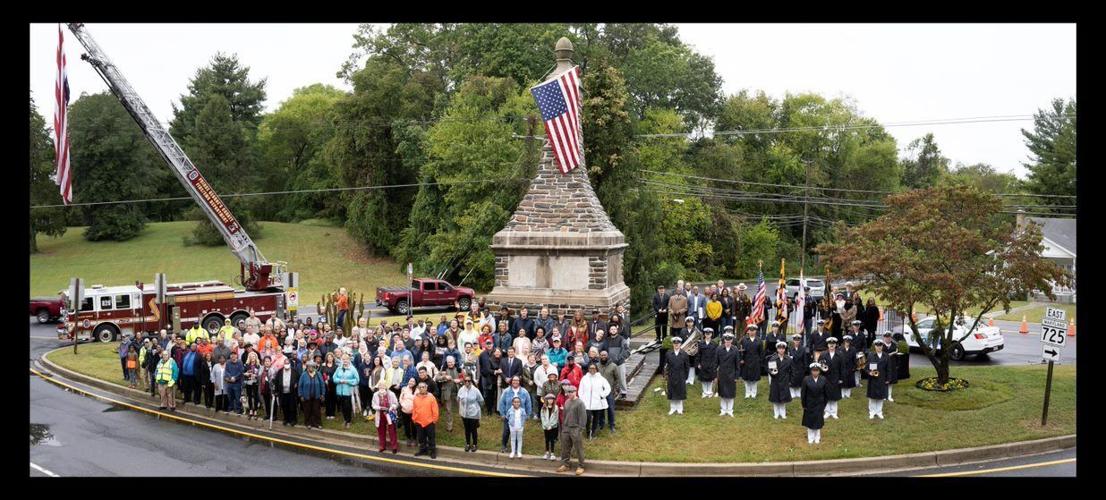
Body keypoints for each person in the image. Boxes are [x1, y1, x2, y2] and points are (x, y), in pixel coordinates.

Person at [557, 384, 587, 475]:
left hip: (575, 428)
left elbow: (583, 417)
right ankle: (565, 464)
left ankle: (581, 466)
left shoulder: (580, 403)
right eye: (568, 392)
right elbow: (564, 415)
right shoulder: (567, 402)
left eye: (571, 392)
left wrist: (580, 428)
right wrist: (563, 426)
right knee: (565, 448)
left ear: (575, 391)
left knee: (578, 448)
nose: (569, 394)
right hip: (566, 428)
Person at [497, 376, 532, 453]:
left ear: (520, 382)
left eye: (517, 380)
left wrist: (528, 414)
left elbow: (528, 403)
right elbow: (502, 403)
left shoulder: (524, 392)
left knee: (517, 432)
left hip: (520, 416)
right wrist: (502, 414)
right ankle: (504, 445)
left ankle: (516, 448)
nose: (515, 382)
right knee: (506, 431)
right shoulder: (506, 391)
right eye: (514, 380)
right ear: (511, 381)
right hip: (508, 416)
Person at [578, 361, 610, 440]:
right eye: (590, 368)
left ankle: (594, 432)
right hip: (586, 403)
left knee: (596, 418)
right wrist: (582, 399)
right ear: (588, 369)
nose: (592, 370)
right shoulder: (584, 378)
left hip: (597, 402)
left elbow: (608, 388)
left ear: (596, 369)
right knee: (588, 418)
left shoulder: (601, 379)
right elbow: (580, 390)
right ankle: (588, 431)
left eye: (594, 368)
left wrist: (602, 395)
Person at [801, 362, 829, 445]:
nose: (815, 372)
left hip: (820, 404)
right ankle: (810, 437)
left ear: (819, 371)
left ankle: (817, 437)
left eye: (817, 370)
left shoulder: (823, 379)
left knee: (818, 422)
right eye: (813, 370)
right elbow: (803, 394)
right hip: (809, 404)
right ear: (811, 371)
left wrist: (824, 404)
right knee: (810, 422)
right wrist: (804, 405)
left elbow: (826, 393)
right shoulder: (806, 379)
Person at [457, 374, 484, 452]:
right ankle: (468, 443)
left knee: (473, 430)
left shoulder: (475, 390)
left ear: (471, 381)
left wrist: (476, 408)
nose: (467, 382)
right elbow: (458, 399)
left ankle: (475, 444)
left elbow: (481, 401)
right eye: (465, 381)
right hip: (464, 414)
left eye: (469, 380)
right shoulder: (461, 389)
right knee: (467, 430)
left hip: (473, 414)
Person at [412, 382, 440, 459]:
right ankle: (423, 450)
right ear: (418, 388)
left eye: (423, 387)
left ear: (426, 388)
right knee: (421, 438)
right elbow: (414, 409)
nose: (422, 388)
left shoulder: (431, 397)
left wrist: (434, 420)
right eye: (420, 387)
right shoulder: (415, 398)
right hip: (418, 422)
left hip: (429, 422)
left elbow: (435, 410)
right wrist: (414, 418)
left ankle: (432, 451)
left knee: (431, 438)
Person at [596, 350, 621, 434]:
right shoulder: (597, 366)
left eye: (605, 355)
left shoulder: (613, 366)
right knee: (601, 408)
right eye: (602, 355)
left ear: (608, 356)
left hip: (610, 391)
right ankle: (601, 424)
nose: (603, 357)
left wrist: (616, 389)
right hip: (599, 392)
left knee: (610, 408)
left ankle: (612, 425)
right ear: (599, 356)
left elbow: (617, 378)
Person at [664, 336, 690, 415]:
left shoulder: (684, 354)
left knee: (680, 391)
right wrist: (666, 375)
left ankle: (679, 408)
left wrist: (685, 377)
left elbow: (687, 367)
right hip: (671, 375)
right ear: (673, 344)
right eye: (674, 343)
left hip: (681, 375)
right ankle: (672, 408)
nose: (676, 345)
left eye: (678, 343)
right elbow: (665, 365)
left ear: (680, 344)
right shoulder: (668, 353)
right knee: (672, 391)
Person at [767, 341, 793, 419]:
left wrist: (790, 380)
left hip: (785, 380)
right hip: (775, 380)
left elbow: (792, 370)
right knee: (775, 398)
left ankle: (783, 413)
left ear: (784, 349)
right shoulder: (773, 358)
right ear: (777, 349)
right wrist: (772, 373)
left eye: (783, 348)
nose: (781, 350)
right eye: (779, 348)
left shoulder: (788, 359)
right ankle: (776, 413)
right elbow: (770, 369)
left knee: (783, 398)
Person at [372, 379, 399, 453]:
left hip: (389, 413)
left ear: (386, 386)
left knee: (392, 430)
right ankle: (382, 446)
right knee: (381, 431)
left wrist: (391, 407)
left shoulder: (391, 394)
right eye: (380, 385)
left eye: (383, 385)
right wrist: (380, 408)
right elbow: (373, 405)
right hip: (380, 414)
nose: (382, 387)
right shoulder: (375, 395)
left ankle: (394, 447)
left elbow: (396, 403)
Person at [866, 340, 890, 419]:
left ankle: (879, 411)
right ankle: (872, 411)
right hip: (873, 379)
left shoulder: (886, 356)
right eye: (877, 346)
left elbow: (889, 369)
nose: (879, 347)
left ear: (882, 346)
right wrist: (870, 372)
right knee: (872, 396)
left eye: (880, 346)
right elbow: (867, 367)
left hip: (882, 378)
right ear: (875, 346)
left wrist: (888, 379)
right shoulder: (871, 355)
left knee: (881, 396)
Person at [298, 360, 326, 429]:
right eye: (309, 367)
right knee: (307, 410)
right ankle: (308, 423)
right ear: (307, 367)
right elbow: (300, 385)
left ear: (314, 367)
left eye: (312, 367)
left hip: (316, 396)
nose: (310, 368)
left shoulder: (318, 374)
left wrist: (322, 394)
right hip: (306, 396)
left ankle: (318, 423)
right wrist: (300, 395)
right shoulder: (303, 375)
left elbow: (322, 384)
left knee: (316, 410)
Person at [822, 337, 845, 419]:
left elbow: (842, 368)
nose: (831, 345)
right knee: (827, 395)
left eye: (833, 344)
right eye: (830, 344)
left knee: (835, 396)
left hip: (836, 378)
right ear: (827, 345)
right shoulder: (823, 354)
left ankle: (834, 412)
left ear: (835, 345)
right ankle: (827, 412)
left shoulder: (840, 355)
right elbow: (820, 366)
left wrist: (841, 378)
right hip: (826, 378)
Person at [333, 356, 360, 428]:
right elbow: (334, 378)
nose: (345, 361)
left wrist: (347, 381)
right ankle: (345, 419)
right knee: (342, 406)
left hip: (348, 391)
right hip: (340, 391)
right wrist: (339, 380)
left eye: (346, 359)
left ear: (349, 360)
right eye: (343, 359)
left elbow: (357, 380)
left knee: (347, 406)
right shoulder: (339, 368)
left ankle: (348, 421)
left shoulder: (352, 369)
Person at [739, 325, 763, 399]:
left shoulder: (759, 340)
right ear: (748, 331)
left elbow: (761, 352)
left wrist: (760, 361)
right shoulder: (743, 340)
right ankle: (747, 392)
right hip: (746, 361)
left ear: (755, 331)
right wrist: (741, 359)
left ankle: (753, 393)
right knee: (746, 378)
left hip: (756, 361)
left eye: (753, 330)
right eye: (750, 330)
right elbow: (740, 351)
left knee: (754, 379)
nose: (752, 332)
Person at [274, 357, 299, 426]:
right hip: (283, 392)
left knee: (292, 407)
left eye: (288, 363)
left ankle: (293, 420)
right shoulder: (280, 371)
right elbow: (276, 381)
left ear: (290, 364)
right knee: (284, 406)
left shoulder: (294, 371)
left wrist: (297, 383)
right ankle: (286, 419)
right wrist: (276, 391)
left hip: (292, 392)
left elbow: (298, 379)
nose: (286, 364)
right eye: (285, 363)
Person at [697, 328, 718, 398]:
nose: (708, 335)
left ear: (711, 334)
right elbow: (698, 354)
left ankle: (709, 391)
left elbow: (716, 355)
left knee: (710, 378)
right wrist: (698, 363)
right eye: (706, 334)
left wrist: (715, 364)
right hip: (703, 363)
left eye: (709, 334)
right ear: (704, 334)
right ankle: (704, 392)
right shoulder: (701, 343)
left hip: (711, 363)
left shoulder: (714, 344)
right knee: (703, 379)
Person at [539, 393, 560, 460]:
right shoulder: (544, 407)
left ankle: (552, 453)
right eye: (549, 399)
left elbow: (556, 418)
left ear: (553, 400)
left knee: (552, 440)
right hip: (546, 427)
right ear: (546, 400)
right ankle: (547, 452)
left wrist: (551, 425)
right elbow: (542, 417)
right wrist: (546, 425)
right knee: (547, 439)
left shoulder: (556, 408)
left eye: (552, 399)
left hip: (553, 427)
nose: (550, 401)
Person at [883, 331, 902, 402]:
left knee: (890, 382)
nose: (888, 339)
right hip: (883, 366)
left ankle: (889, 396)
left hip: (892, 366)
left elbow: (897, 357)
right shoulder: (880, 345)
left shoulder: (895, 345)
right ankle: (884, 395)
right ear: (884, 338)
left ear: (891, 338)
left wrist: (897, 365)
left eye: (889, 337)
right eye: (886, 337)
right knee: (884, 381)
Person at [224, 351, 244, 415]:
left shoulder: (240, 362)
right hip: (229, 382)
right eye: (232, 355)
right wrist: (230, 377)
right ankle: (231, 408)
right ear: (230, 356)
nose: (233, 356)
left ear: (236, 356)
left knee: (237, 397)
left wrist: (235, 377)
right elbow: (226, 371)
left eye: (234, 355)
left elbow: (241, 372)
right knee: (230, 396)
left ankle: (238, 409)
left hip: (237, 383)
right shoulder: (228, 362)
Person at [399, 378, 418, 446]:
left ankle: (414, 439)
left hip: (413, 411)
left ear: (415, 383)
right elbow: (401, 398)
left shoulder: (417, 390)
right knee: (406, 425)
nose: (411, 382)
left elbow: (418, 400)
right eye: (410, 381)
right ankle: (408, 438)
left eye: (413, 381)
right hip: (404, 411)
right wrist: (402, 405)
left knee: (413, 426)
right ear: (408, 382)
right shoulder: (404, 388)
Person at [243, 351, 262, 419]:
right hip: (248, 382)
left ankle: (255, 410)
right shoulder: (246, 365)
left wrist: (256, 376)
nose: (252, 358)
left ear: (256, 357)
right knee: (249, 396)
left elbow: (260, 375)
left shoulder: (258, 365)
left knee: (256, 396)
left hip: (255, 383)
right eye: (251, 357)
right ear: (249, 358)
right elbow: (243, 373)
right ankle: (251, 410)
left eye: (253, 356)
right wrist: (246, 374)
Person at [788, 334, 807, 399]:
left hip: (800, 367)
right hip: (793, 367)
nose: (796, 342)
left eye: (798, 340)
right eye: (795, 340)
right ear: (793, 341)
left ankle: (798, 391)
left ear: (800, 341)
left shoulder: (803, 349)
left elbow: (805, 359)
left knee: (800, 379)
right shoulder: (790, 349)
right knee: (792, 379)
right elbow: (789, 359)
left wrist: (805, 367)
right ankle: (792, 392)